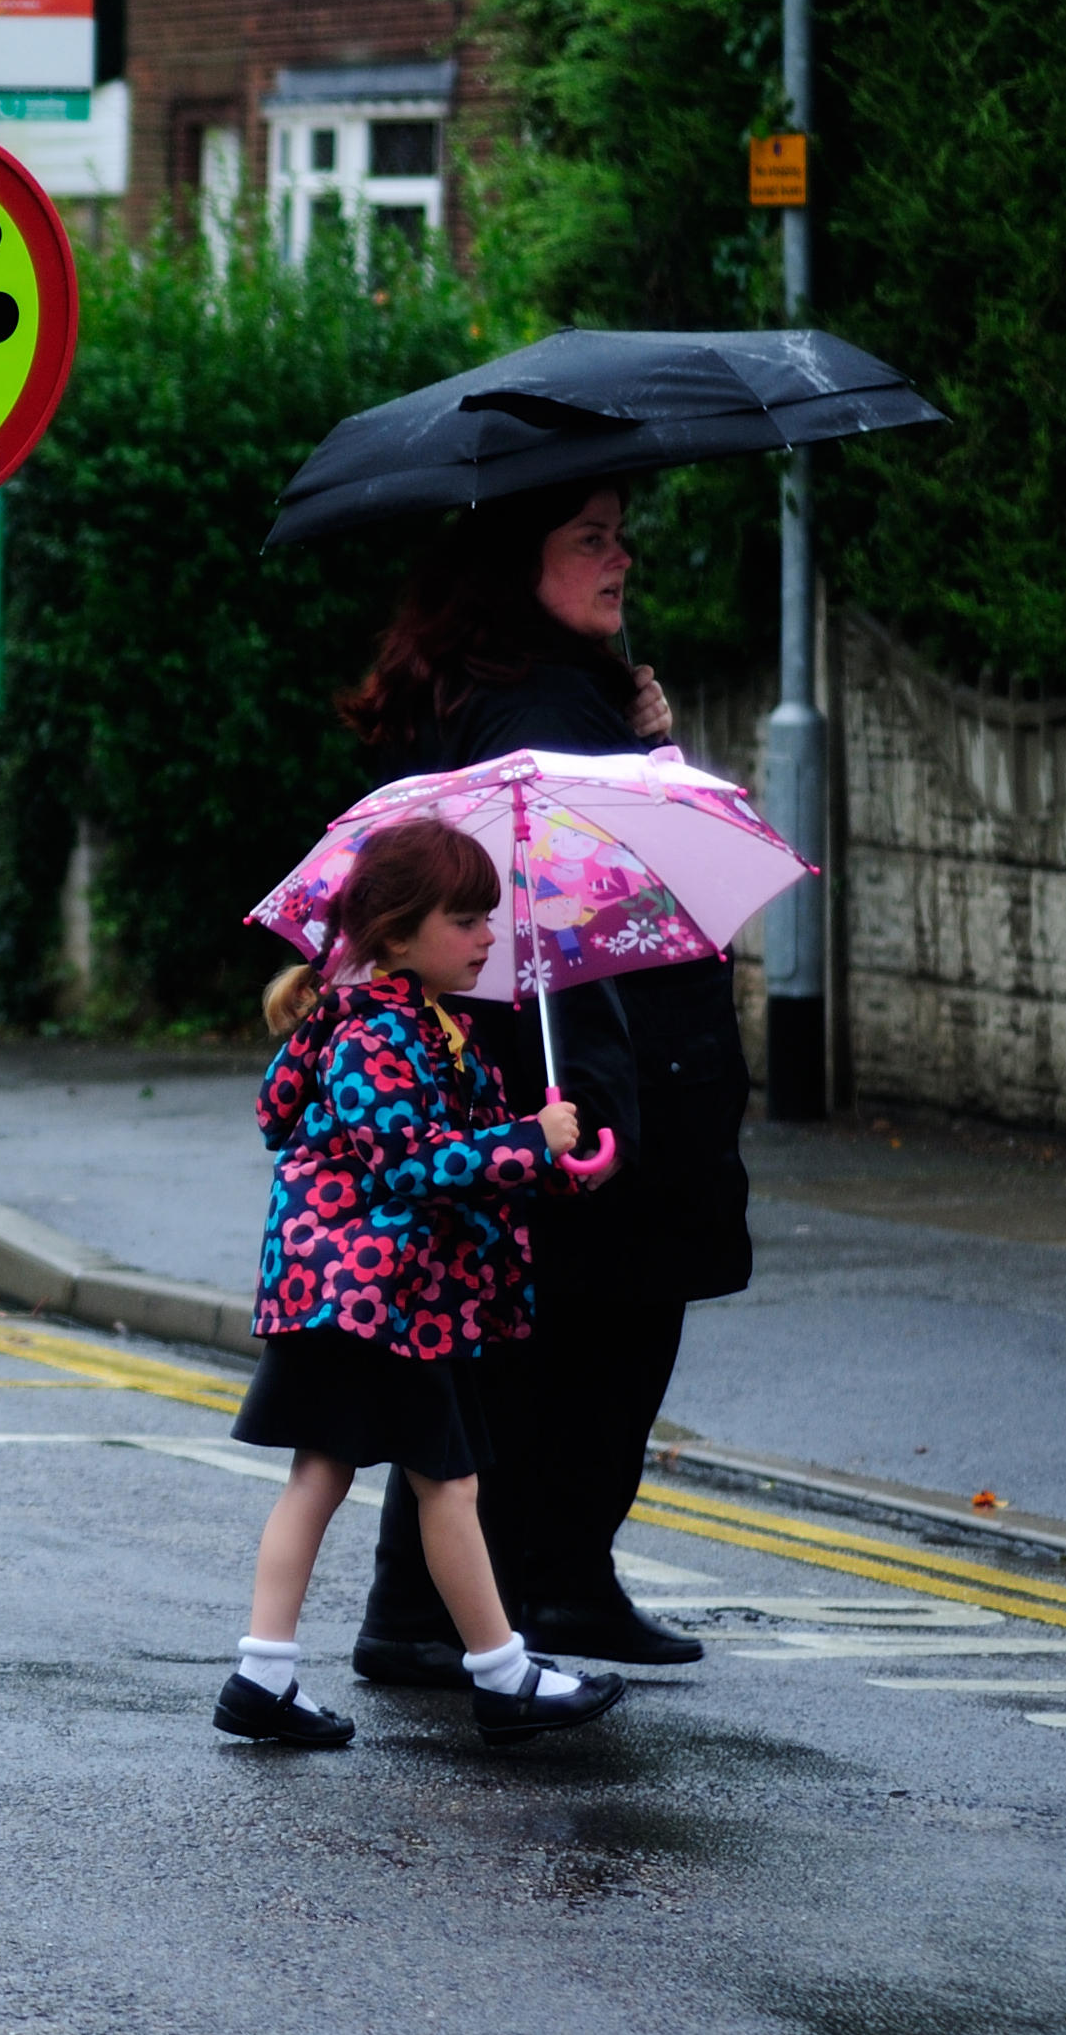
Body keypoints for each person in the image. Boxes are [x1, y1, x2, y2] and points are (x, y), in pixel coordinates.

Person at [336, 482, 754, 1686]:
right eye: (590, 538)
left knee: (533, 1341)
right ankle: (491, 1597)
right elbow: (571, 905)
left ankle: (530, 1584)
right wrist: (596, 1106)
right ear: (521, 566)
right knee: (574, 1338)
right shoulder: (531, 710)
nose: (620, 555)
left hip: (574, 1057)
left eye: (619, 533)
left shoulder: (548, 692)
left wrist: (645, 742)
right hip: (580, 1066)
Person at [221, 819, 621, 1750]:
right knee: (447, 1482)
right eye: (466, 918)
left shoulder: (414, 1021)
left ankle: (263, 1674)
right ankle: (504, 1675)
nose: (488, 936)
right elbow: (409, 1165)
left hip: (358, 1296)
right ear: (397, 935)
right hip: (375, 1298)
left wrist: (539, 1156)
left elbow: (438, 1152)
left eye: (487, 916)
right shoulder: (378, 1032)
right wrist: (528, 1141)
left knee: (322, 1475)